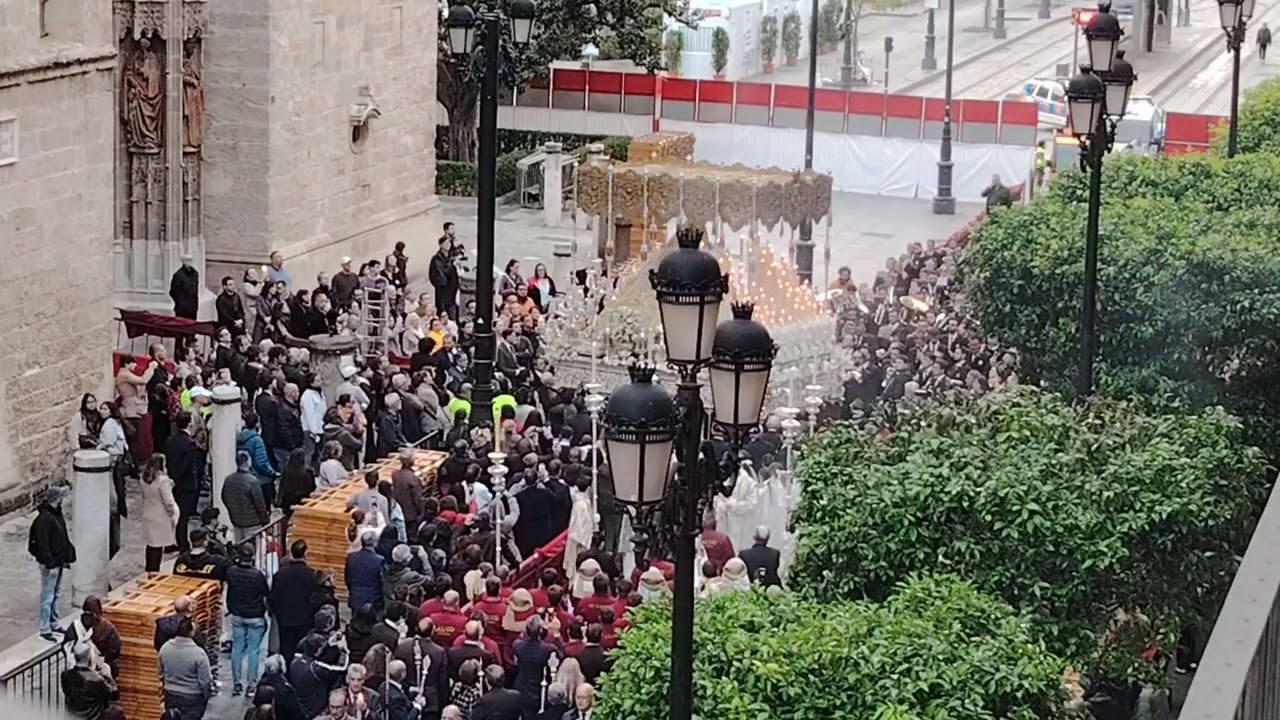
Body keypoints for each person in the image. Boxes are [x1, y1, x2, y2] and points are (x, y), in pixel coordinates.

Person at [30, 483, 75, 641]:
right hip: (51, 564)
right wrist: (50, 563)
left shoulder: (55, 514)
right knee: (48, 596)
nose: (62, 500)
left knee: (56, 594)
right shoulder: (44, 520)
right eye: (60, 497)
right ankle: (45, 627)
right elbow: (43, 545)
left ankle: (54, 623)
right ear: (55, 499)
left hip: (58, 561)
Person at [227, 541, 270, 695]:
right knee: (254, 651)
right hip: (255, 617)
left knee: (237, 650)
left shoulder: (232, 572)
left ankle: (236, 683)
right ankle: (251, 685)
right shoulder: (257, 575)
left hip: (237, 615)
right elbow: (265, 594)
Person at [271, 540, 318, 660]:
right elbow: (314, 599)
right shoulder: (311, 575)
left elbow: (274, 598)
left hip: (285, 620)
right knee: (301, 651)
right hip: (304, 620)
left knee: (286, 651)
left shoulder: (280, 575)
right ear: (305, 554)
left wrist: (277, 613)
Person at [158, 616, 213, 719]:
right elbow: (205, 681)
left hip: (171, 695)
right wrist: (205, 697)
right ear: (192, 633)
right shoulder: (199, 653)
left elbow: (160, 674)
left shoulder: (165, 648)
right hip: (192, 697)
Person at [394, 617, 450, 717]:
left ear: (416, 629)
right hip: (431, 702)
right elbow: (442, 680)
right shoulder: (439, 652)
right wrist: (444, 702)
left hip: (407, 697)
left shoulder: (403, 647)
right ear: (432, 631)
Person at [164, 413, 202, 551]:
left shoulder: (169, 440)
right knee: (183, 516)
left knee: (172, 514)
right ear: (189, 424)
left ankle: (169, 542)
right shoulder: (189, 444)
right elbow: (187, 466)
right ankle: (182, 544)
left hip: (173, 481)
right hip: (186, 484)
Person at [64, 596, 123, 679]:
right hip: (100, 674)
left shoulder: (74, 626)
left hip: (77, 673)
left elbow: (66, 646)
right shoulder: (107, 628)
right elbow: (115, 648)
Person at [140, 454, 181, 572]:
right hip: (161, 516)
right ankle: (154, 572)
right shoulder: (163, 481)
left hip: (148, 513)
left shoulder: (143, 478)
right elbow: (168, 501)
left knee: (150, 546)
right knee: (157, 548)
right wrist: (172, 514)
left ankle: (149, 570)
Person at [61, 640, 119, 720]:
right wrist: (108, 676)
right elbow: (115, 694)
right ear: (90, 657)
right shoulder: (97, 679)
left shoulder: (66, 675)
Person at [224, 450, 270, 542]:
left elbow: (224, 497)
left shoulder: (229, 479)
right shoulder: (252, 481)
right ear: (248, 461)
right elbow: (260, 504)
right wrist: (265, 520)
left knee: (239, 546)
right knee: (251, 548)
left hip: (236, 521)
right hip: (252, 523)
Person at [345, 529, 387, 611]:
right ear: (375, 543)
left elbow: (347, 579)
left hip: (355, 598)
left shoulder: (351, 558)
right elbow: (382, 581)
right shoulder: (380, 560)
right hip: (373, 600)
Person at [430, 234, 461, 320]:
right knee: (444, 310)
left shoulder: (451, 257)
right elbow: (441, 274)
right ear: (440, 245)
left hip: (453, 288)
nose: (448, 245)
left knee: (454, 308)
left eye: (449, 243)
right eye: (446, 243)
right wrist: (451, 265)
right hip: (443, 290)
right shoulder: (436, 259)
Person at [170, 253, 201, 320]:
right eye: (187, 260)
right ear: (183, 261)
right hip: (182, 308)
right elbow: (173, 292)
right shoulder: (178, 275)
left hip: (193, 306)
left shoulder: (195, 273)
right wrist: (181, 302)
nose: (189, 262)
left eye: (190, 260)